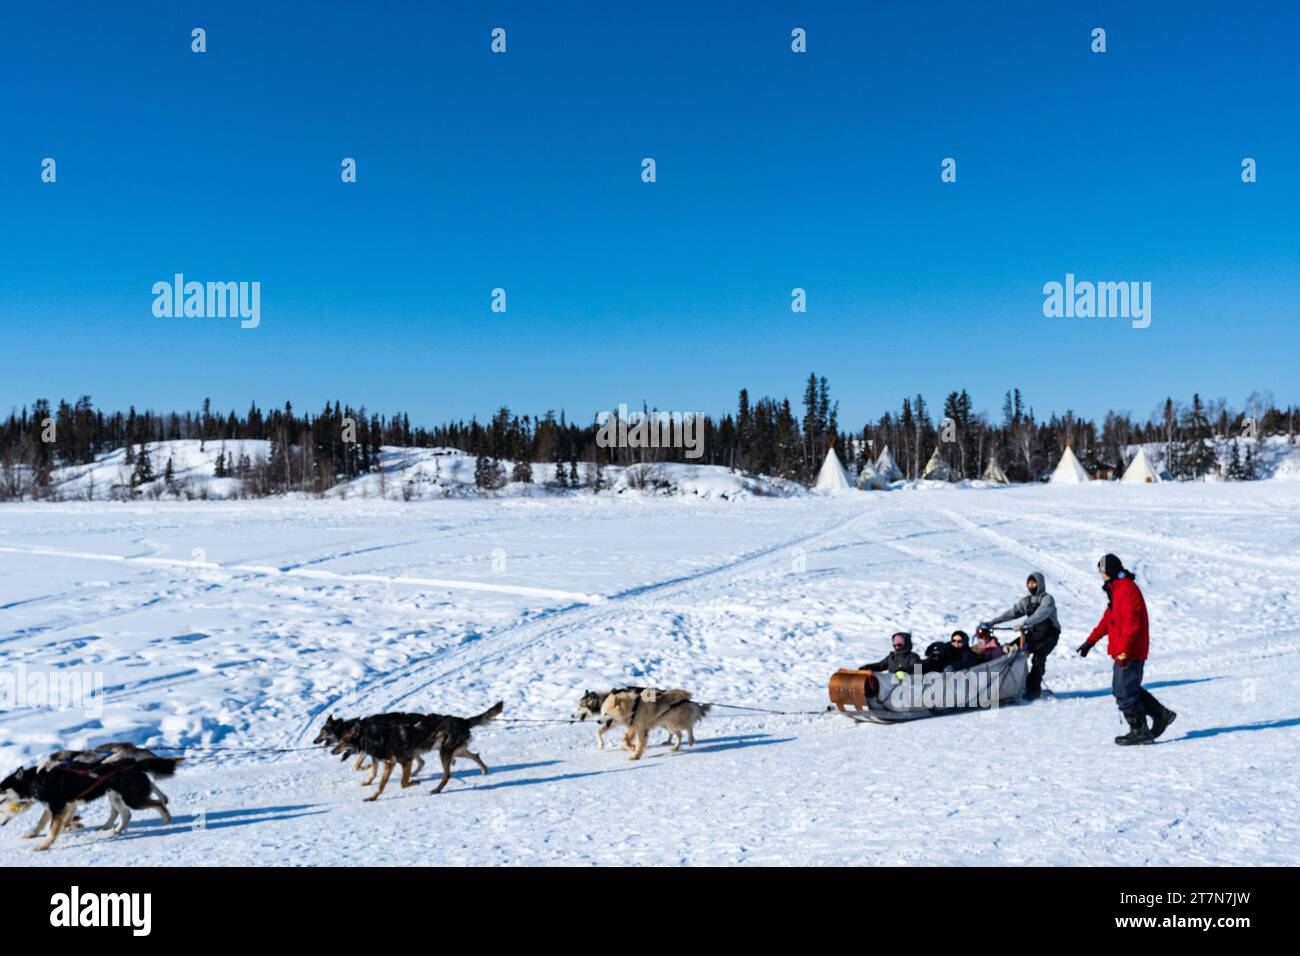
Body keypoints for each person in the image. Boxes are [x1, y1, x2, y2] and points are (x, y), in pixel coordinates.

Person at [1077, 554, 1177, 745]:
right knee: (1127, 688)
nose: (1101, 575)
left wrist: (1124, 651)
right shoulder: (1117, 590)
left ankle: (1140, 731)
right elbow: (1109, 620)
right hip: (1124, 649)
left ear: (1110, 571)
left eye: (1102, 571)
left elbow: (1133, 624)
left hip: (1129, 651)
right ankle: (1161, 715)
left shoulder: (1126, 590)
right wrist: (1090, 642)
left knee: (1123, 691)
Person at [983, 571, 1059, 699]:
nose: (1031, 586)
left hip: (1049, 636)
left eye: (1034, 583)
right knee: (1009, 653)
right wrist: (993, 622)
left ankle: (1033, 691)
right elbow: (1013, 612)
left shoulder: (1047, 599)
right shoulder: (1027, 601)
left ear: (1040, 584)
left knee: (1038, 660)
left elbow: (1041, 614)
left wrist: (1025, 623)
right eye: (1029, 583)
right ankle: (1007, 686)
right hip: (1032, 634)